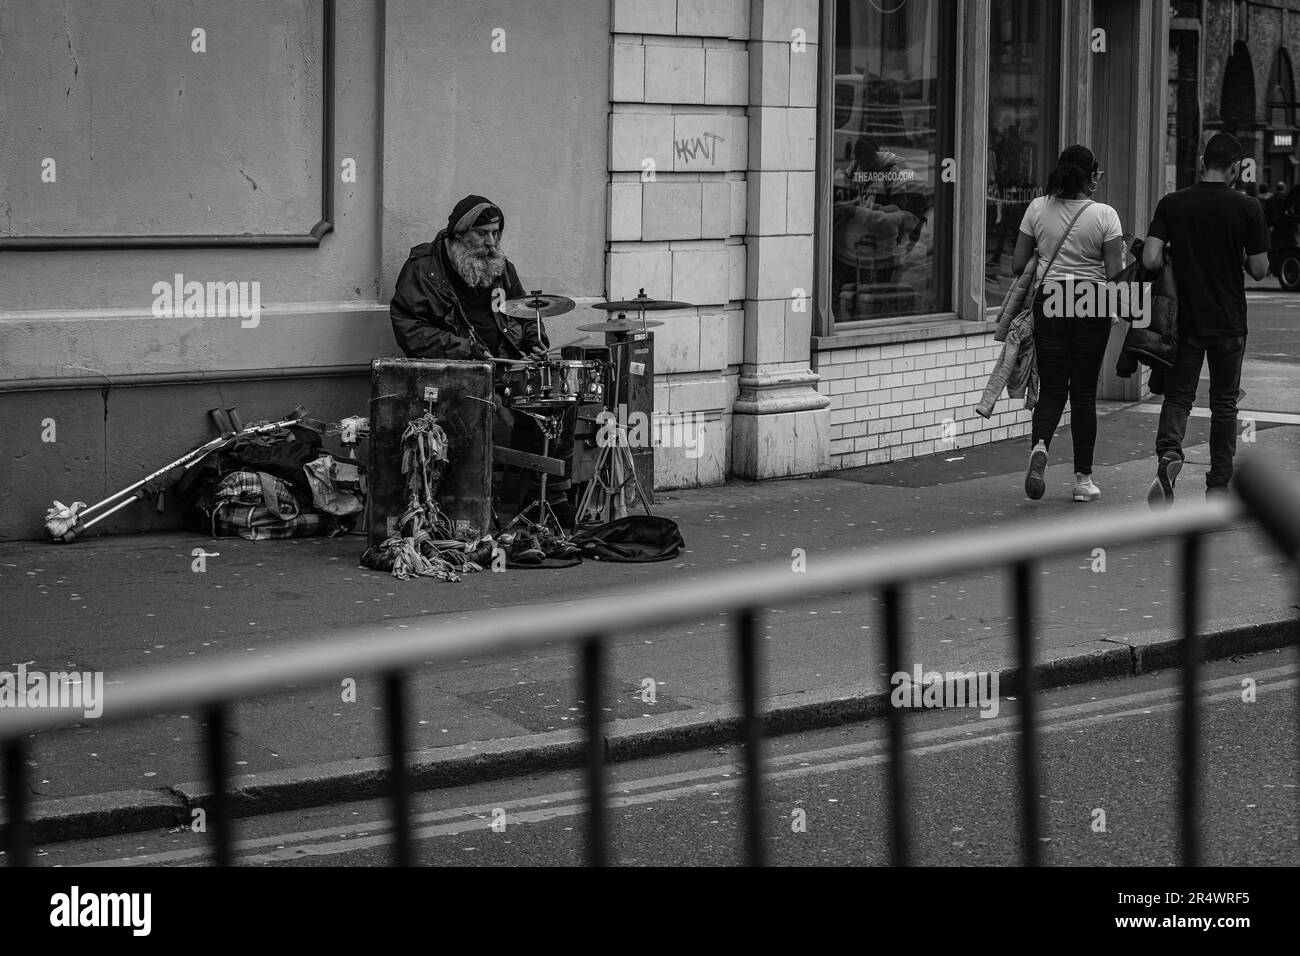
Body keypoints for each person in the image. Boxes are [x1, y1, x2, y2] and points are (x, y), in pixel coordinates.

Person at [389, 194, 574, 523]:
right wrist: (466, 351)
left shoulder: (501, 267)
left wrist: (535, 342)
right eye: (483, 234)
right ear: (459, 236)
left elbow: (525, 313)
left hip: (504, 369)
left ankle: (538, 501)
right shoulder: (423, 269)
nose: (492, 243)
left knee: (556, 400)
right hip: (456, 374)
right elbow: (411, 330)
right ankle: (473, 509)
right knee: (475, 409)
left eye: (496, 234)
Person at [1141, 133, 1270, 506]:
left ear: (1202, 161)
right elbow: (1261, 269)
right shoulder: (1248, 209)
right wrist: (1239, 254)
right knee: (1224, 404)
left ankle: (1169, 454)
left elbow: (1150, 259)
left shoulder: (1173, 204)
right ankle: (1217, 487)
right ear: (1234, 169)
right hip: (1229, 320)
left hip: (1184, 320)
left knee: (1179, 396)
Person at [1011, 144, 1125, 502]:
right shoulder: (1105, 215)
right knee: (1084, 394)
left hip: (1050, 302)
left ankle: (1040, 447)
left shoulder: (1037, 208)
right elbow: (1114, 275)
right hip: (1091, 303)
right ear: (1090, 177)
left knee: (1053, 389)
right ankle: (1082, 481)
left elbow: (1017, 264)